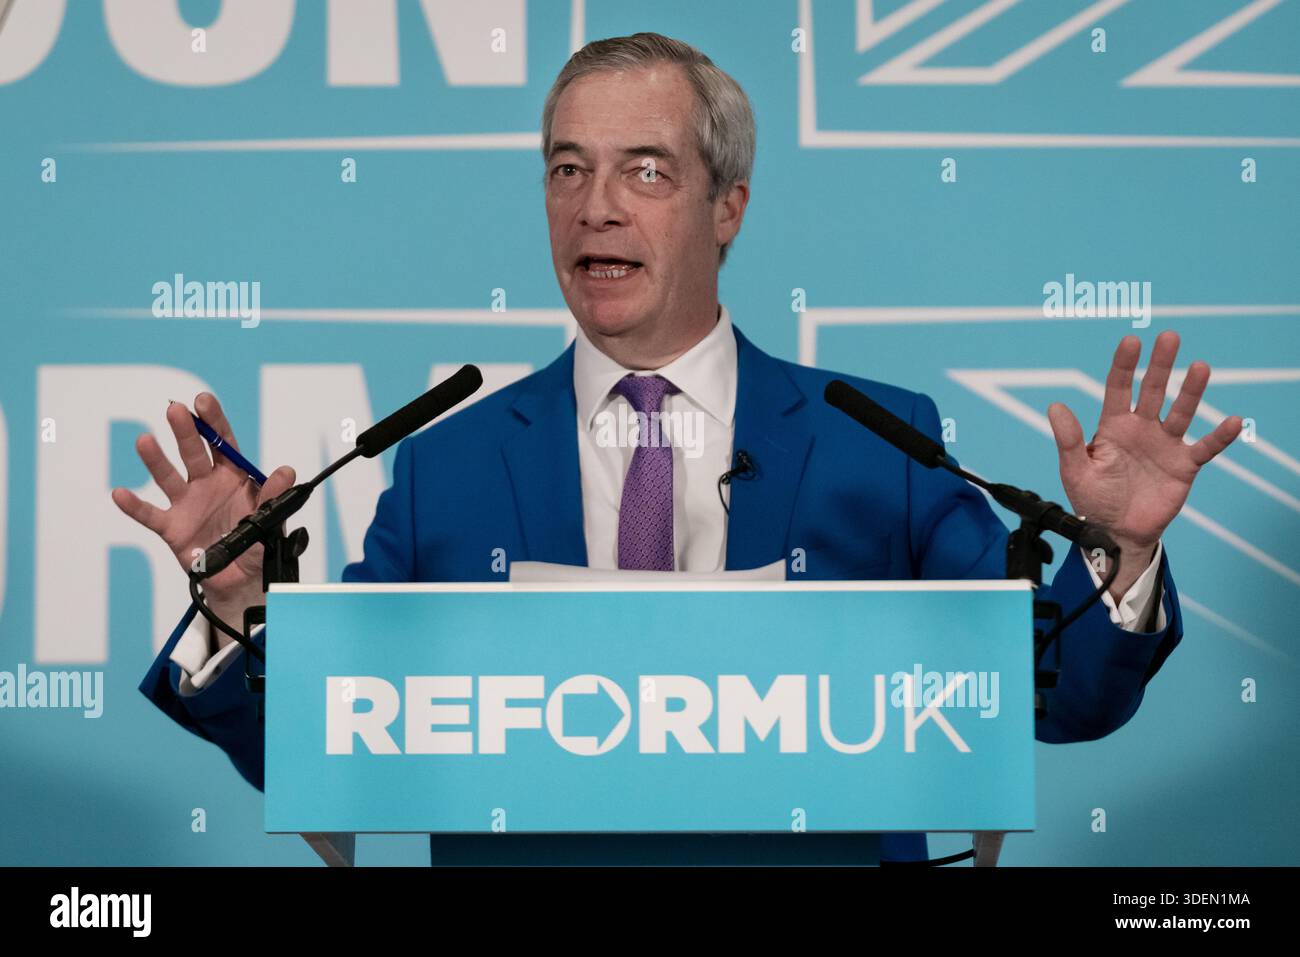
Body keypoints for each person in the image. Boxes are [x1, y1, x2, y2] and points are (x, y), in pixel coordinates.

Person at [115, 33, 1242, 864]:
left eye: (644, 170)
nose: (595, 207)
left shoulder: (880, 445)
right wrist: (237, 600)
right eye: (567, 170)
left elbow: (1055, 697)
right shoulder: (447, 468)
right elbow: (323, 746)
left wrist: (1116, 553)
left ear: (728, 208)